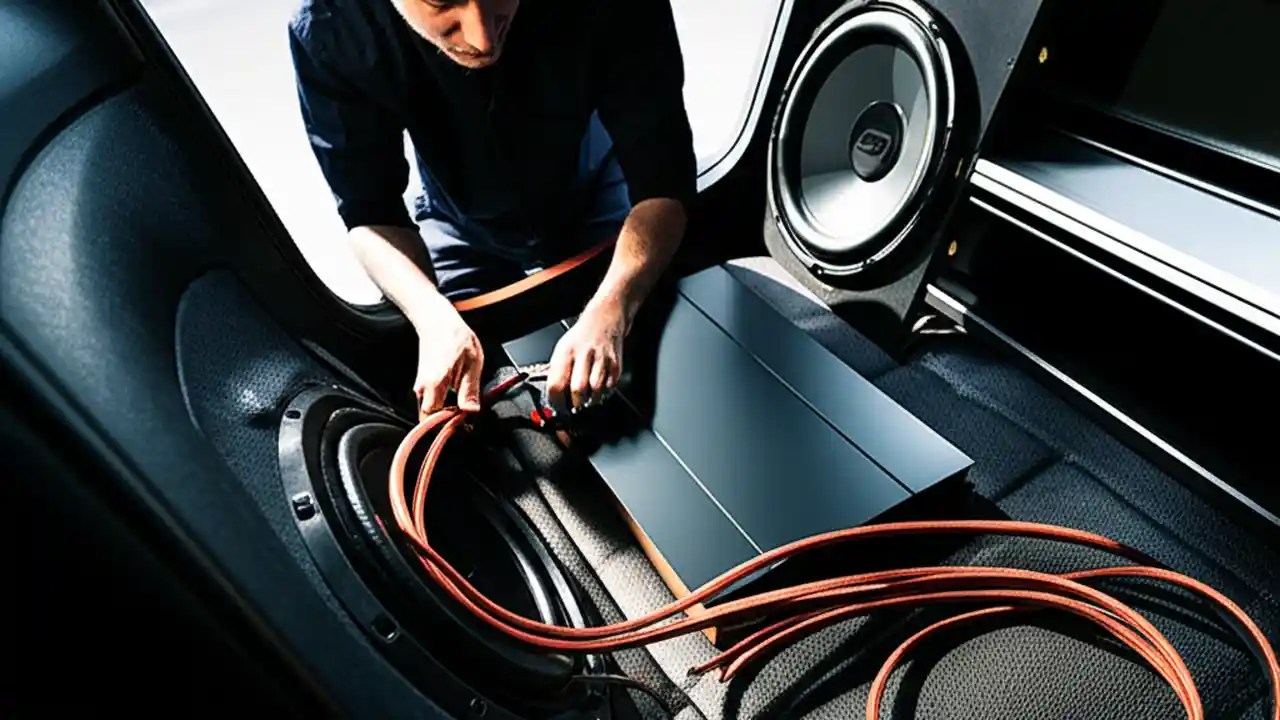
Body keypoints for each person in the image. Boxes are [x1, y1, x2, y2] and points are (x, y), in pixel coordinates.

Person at [288, 0, 697, 416]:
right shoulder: (329, 28)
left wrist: (614, 306)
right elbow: (370, 214)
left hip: (597, 186)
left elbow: (663, 184)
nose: (482, 38)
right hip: (457, 225)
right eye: (442, 2)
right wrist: (432, 319)